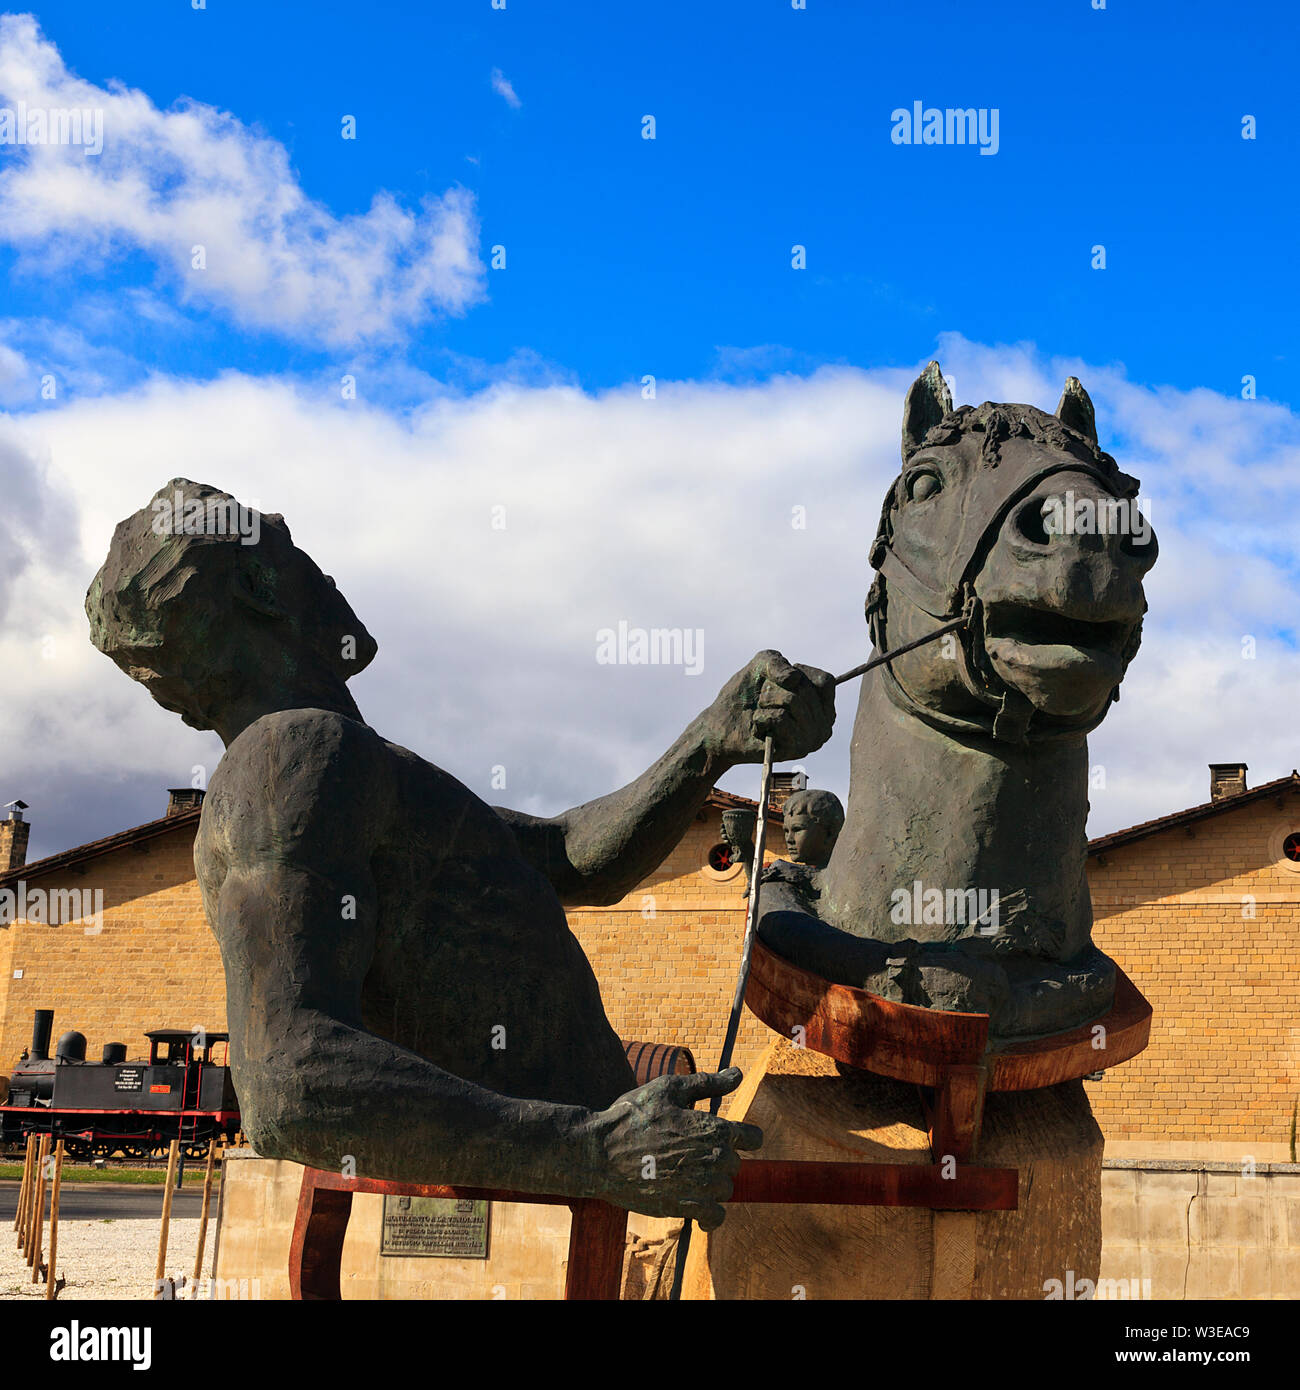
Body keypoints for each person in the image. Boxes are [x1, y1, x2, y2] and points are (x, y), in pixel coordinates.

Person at [86, 479, 836, 1231]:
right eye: (284, 546)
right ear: (261, 586)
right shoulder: (294, 758)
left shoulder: (348, 765)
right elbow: (285, 1080)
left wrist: (712, 737)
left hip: (576, 1208)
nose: (319, 565)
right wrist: (591, 1150)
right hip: (551, 1212)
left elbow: (577, 857)